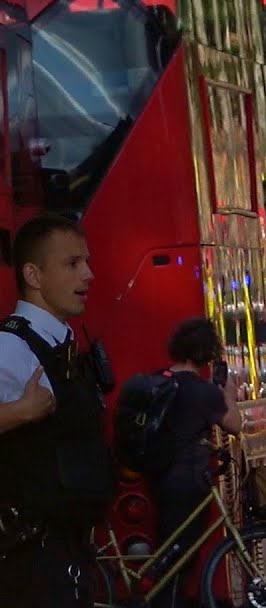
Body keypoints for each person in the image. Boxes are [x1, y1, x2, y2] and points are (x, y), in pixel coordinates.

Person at [0, 213, 113, 608]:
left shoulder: (63, 347)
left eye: (86, 261)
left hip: (68, 554)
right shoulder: (10, 348)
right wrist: (20, 411)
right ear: (34, 275)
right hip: (28, 564)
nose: (89, 274)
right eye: (72, 264)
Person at [149, 317, 243, 608]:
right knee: (183, 557)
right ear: (206, 353)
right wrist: (228, 393)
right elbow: (234, 425)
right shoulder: (202, 391)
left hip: (158, 477)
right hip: (190, 480)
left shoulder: (155, 380)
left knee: (170, 547)